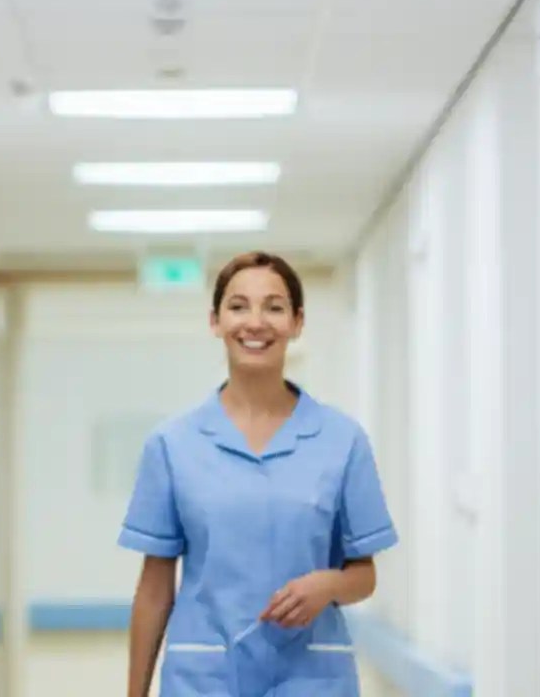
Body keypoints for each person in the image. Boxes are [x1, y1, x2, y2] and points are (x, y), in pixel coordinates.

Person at [119, 251, 398, 697]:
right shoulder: (173, 445)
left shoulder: (342, 440)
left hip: (311, 676)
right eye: (238, 306)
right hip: (204, 677)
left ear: (297, 322)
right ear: (215, 321)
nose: (255, 322)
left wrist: (329, 584)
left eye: (274, 307)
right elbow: (154, 588)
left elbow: (364, 575)